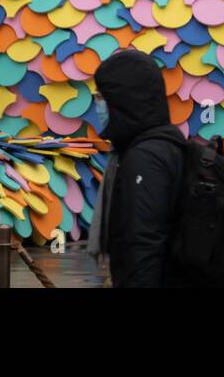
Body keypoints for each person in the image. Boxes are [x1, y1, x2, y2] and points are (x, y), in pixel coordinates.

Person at [87, 49, 188, 287]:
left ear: (122, 101)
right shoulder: (164, 143)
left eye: (101, 97)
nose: (97, 105)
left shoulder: (145, 157)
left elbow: (143, 242)